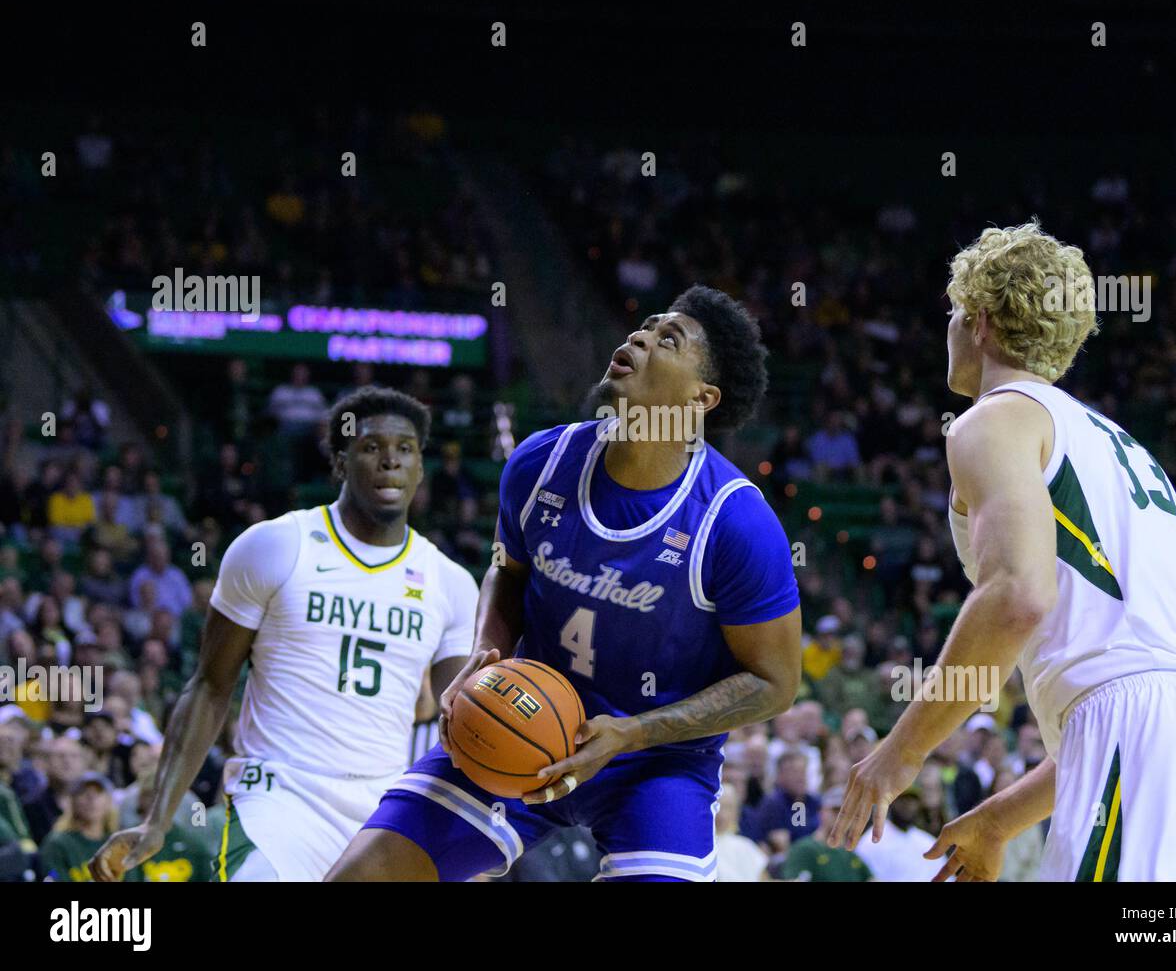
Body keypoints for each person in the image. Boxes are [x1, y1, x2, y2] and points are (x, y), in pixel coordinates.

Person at [829, 221, 1176, 881]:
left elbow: (1019, 597)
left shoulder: (993, 418)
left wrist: (901, 752)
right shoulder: (1121, 444)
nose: (948, 330)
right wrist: (1000, 817)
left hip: (1146, 743)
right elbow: (1131, 681)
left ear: (979, 321)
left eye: (953, 313)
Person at [329, 285, 802, 882]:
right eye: (645, 326)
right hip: (521, 723)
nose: (638, 337)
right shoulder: (540, 464)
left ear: (701, 398)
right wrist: (485, 649)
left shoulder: (734, 522)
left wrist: (635, 732)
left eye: (668, 339)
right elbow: (507, 570)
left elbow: (775, 683)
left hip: (656, 767)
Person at [90, 387, 477, 882]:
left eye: (405, 449)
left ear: (421, 468)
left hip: (385, 809)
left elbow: (458, 724)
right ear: (340, 461)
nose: (390, 462)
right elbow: (209, 686)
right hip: (277, 795)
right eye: (371, 447)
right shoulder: (274, 546)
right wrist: (157, 820)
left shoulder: (450, 582)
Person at [783, 786, 871, 882]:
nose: (841, 817)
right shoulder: (805, 849)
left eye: (848, 813)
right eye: (836, 810)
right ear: (822, 812)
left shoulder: (849, 853)